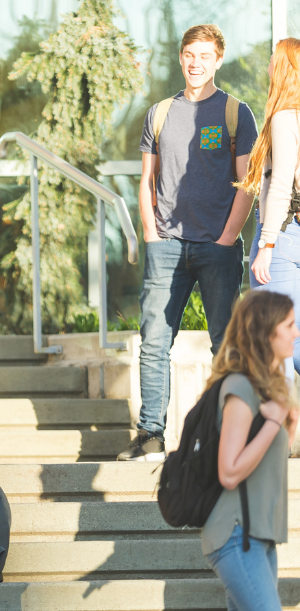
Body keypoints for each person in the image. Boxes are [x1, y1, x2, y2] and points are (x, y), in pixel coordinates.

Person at [119, 24, 259, 462]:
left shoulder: (237, 113)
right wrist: (150, 232)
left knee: (224, 344)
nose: (195, 63)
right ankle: (151, 434)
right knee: (155, 342)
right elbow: (146, 180)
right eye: (188, 54)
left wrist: (227, 238)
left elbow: (247, 183)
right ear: (181, 58)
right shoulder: (159, 113)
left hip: (217, 248)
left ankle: (226, 434)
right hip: (167, 247)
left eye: (204, 55)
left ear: (218, 60)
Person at [201, 290, 299, 611]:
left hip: (258, 535)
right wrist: (273, 423)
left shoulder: (270, 384)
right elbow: (229, 470)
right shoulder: (238, 389)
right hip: (234, 533)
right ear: (265, 332)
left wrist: (283, 411)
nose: (295, 332)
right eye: (287, 326)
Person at [244, 38, 300, 381]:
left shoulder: (284, 114)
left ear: (281, 66)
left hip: (281, 236)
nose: (266, 65)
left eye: (271, 59)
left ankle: (276, 435)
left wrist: (266, 245)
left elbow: (280, 182)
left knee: (274, 344)